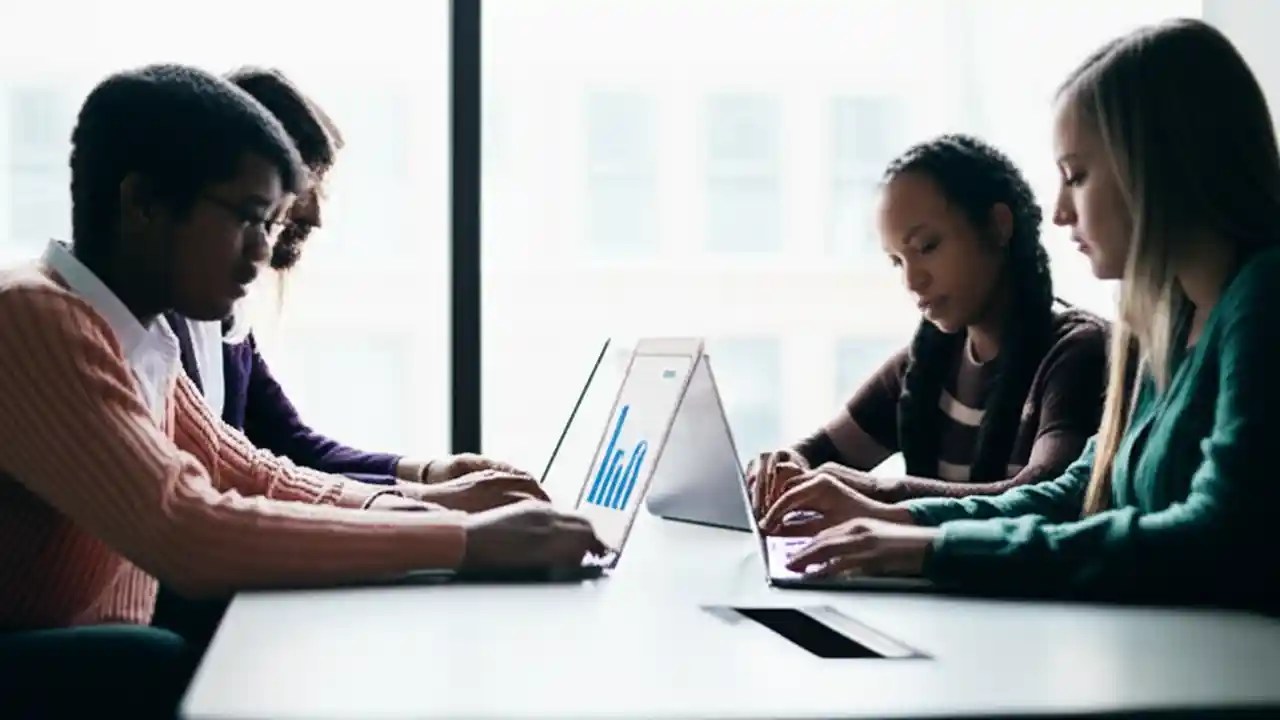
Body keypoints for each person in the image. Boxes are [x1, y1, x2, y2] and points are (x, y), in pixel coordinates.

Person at [0, 64, 605, 716]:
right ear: (143, 202)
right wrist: (467, 542)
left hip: (71, 643)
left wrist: (443, 510)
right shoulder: (34, 317)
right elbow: (187, 525)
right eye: (250, 218)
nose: (263, 252)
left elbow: (249, 471)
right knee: (157, 666)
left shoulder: (135, 334)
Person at [769, 18, 1280, 610]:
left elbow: (1218, 538)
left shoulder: (1262, 300)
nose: (1060, 211)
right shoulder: (1168, 317)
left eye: (1077, 176)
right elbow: (1077, 494)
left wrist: (931, 548)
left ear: (1160, 162)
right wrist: (902, 522)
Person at [170, 66, 526, 498]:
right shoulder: (173, 314)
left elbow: (291, 449)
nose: (313, 215)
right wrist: (433, 502)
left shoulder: (225, 315)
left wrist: (435, 472)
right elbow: (239, 479)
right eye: (303, 187)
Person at [750, 134, 1109, 535]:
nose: (912, 279)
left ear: (997, 226)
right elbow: (816, 456)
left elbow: (1044, 495)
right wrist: (780, 469)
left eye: (927, 246)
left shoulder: (1077, 351)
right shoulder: (924, 365)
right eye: (896, 261)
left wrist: (876, 494)